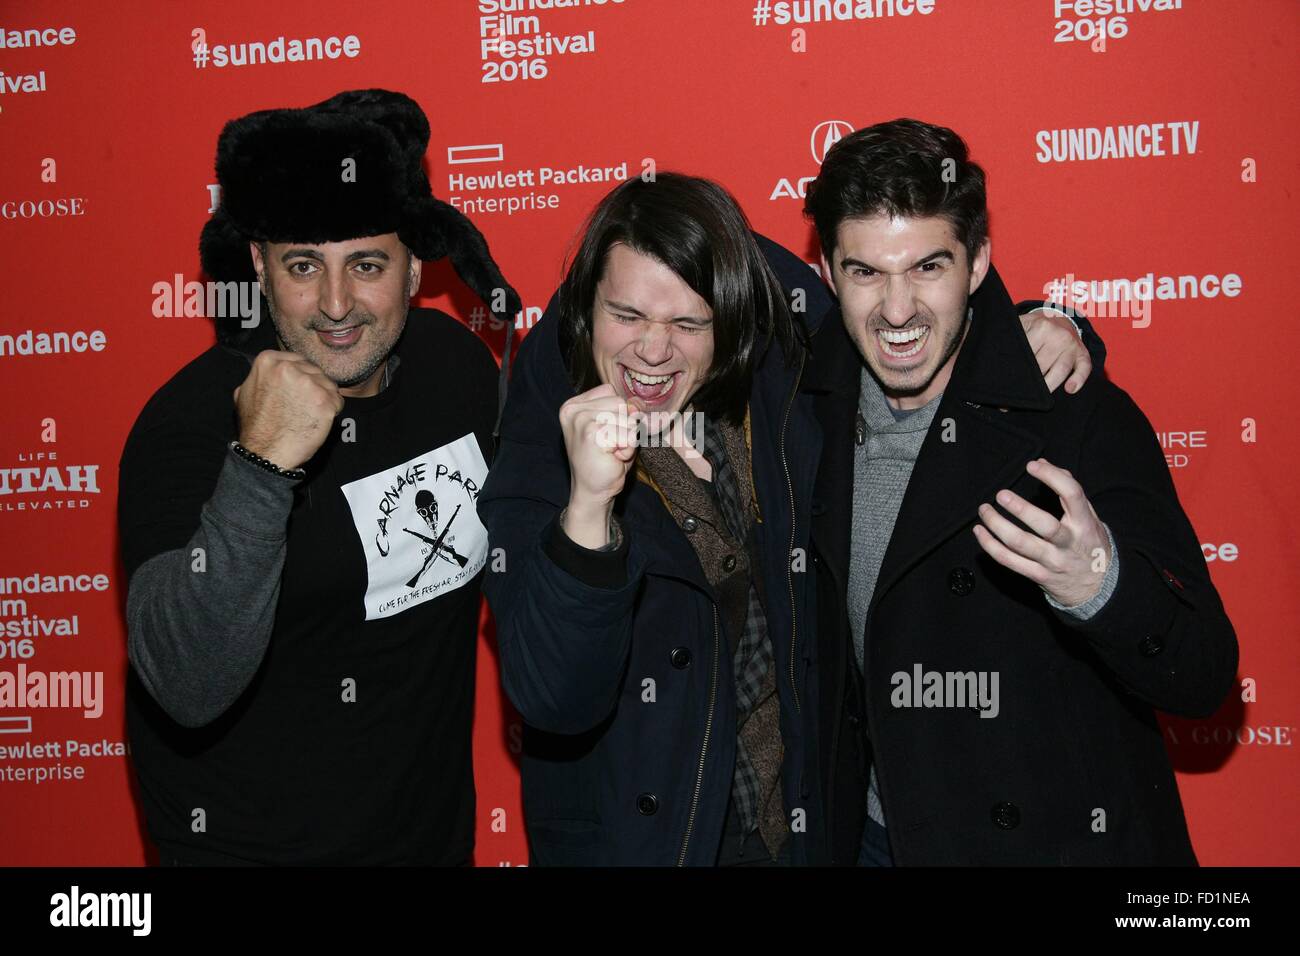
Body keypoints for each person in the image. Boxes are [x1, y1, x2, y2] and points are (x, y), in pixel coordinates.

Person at [478, 172, 1100, 865]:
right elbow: (554, 698)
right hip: (648, 846)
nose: (652, 351)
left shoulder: (783, 358)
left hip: (802, 836)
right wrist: (589, 510)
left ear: (736, 318)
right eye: (625, 317)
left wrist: (1048, 326)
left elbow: (905, 315)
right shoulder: (544, 431)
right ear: (585, 306)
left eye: (689, 324)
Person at [803, 118, 1238, 866]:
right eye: (866, 272)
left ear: (978, 265)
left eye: (929, 268)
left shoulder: (1069, 413)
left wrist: (1100, 586)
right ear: (828, 273)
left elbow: (1203, 672)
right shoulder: (804, 411)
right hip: (880, 840)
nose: (898, 309)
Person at [118, 89, 518, 865]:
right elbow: (187, 685)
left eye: (367, 264)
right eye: (304, 266)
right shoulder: (188, 429)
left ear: (413, 269)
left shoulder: (458, 372)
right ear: (259, 266)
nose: (336, 305)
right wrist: (261, 466)